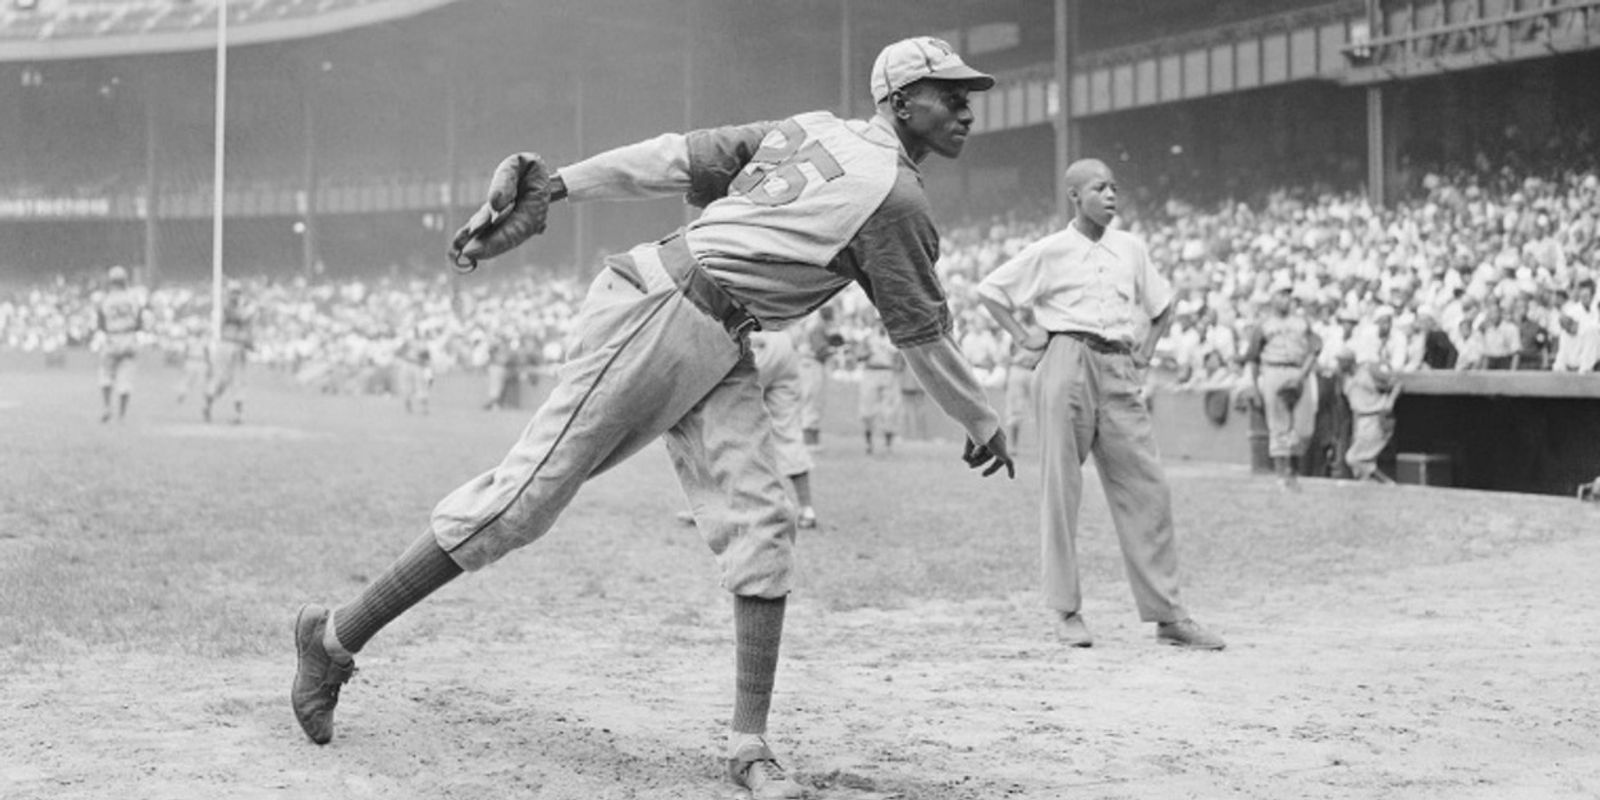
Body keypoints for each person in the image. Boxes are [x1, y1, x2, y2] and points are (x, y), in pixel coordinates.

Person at [290, 36, 1013, 800]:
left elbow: (673, 157)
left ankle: (749, 746)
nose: (966, 107)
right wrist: (981, 420)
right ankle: (332, 637)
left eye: (967, 94)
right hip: (662, 311)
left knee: (764, 522)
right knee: (521, 502)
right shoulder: (894, 196)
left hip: (720, 334)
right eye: (948, 93)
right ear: (899, 101)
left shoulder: (812, 129)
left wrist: (558, 186)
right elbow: (922, 337)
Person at [976, 158, 1224, 651]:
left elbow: (1163, 305)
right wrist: (1023, 335)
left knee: (1149, 487)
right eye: (1099, 188)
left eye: (1114, 187)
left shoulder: (1131, 247)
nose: (1111, 195)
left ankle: (1168, 615)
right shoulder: (1051, 249)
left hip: (1119, 363)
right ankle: (1066, 611)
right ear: (1074, 196)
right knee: (1061, 488)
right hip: (1067, 357)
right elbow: (991, 291)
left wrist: (1147, 348)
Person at [1243, 276, 1321, 490]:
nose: (1286, 299)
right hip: (1273, 370)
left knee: (1303, 429)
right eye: (1281, 294)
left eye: (1288, 294)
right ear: (1273, 298)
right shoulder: (1264, 324)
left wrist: (1302, 375)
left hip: (1299, 371)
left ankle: (1293, 472)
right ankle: (1282, 475)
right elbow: (1253, 357)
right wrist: (1254, 385)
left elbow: (1315, 348)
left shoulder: (1302, 322)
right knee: (1278, 426)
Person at [93, 265, 147, 423]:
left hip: (111, 338)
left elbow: (101, 325)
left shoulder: (105, 299)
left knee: (105, 375)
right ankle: (121, 415)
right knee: (126, 379)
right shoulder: (133, 299)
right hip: (128, 338)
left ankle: (107, 406)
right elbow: (139, 323)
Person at [203, 280, 256, 425]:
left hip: (238, 347)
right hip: (225, 345)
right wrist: (249, 310)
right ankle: (208, 405)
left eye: (238, 293)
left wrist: (250, 343)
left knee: (239, 381)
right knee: (221, 380)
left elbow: (246, 327)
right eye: (234, 293)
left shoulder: (240, 307)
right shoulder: (226, 308)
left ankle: (238, 415)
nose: (236, 295)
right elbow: (239, 317)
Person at [1343, 349, 1400, 483]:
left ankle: (1387, 483)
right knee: (1360, 467)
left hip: (1375, 417)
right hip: (1360, 419)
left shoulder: (1367, 371)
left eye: (1341, 361)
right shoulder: (1345, 379)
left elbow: (1397, 383)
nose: (1339, 365)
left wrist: (1390, 401)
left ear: (1349, 362)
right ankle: (1376, 488)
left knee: (1353, 458)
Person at [856, 321, 902, 454]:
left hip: (888, 372)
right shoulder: (868, 339)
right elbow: (859, 356)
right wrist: (868, 353)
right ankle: (868, 442)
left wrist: (898, 365)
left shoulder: (894, 338)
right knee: (867, 408)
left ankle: (888, 443)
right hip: (871, 371)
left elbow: (901, 358)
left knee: (890, 410)